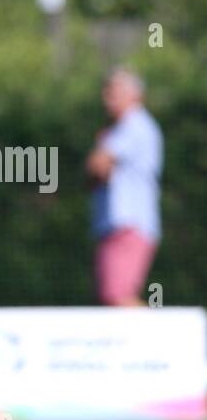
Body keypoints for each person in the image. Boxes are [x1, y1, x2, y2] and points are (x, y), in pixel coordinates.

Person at [86, 68, 163, 307]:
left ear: (134, 95)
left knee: (118, 297)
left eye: (114, 92)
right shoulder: (127, 127)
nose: (107, 98)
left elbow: (97, 166)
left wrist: (100, 151)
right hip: (120, 225)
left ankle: (165, 340)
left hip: (128, 224)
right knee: (113, 297)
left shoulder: (134, 125)